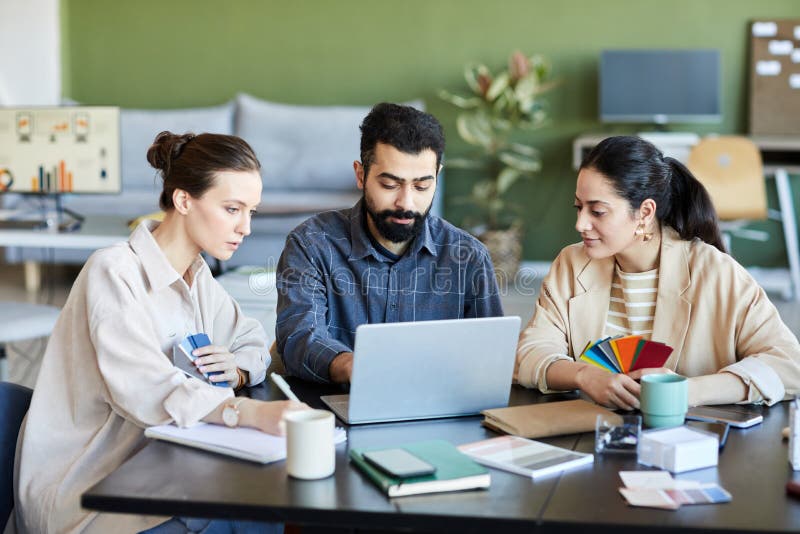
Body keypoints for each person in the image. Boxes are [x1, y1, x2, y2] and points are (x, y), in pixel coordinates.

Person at [13, 131, 304, 534]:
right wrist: (248, 412)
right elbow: (146, 387)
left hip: (161, 467)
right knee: (249, 512)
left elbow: (251, 338)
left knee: (261, 506)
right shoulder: (113, 271)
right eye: (233, 209)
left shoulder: (196, 275)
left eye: (251, 211)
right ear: (184, 200)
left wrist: (236, 369)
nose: (246, 227)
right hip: (88, 490)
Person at [515, 135, 800, 409]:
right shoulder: (571, 264)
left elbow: (788, 365)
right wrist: (583, 374)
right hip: (594, 435)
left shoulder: (716, 272)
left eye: (597, 211)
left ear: (645, 212)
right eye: (579, 208)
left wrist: (688, 391)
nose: (580, 224)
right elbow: (528, 355)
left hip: (690, 440)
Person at [276, 102, 503, 384]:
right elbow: (298, 337)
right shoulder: (311, 245)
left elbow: (490, 357)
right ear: (361, 175)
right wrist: (348, 365)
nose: (406, 203)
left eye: (422, 186)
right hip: (336, 411)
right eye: (390, 185)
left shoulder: (469, 257)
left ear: (437, 177)